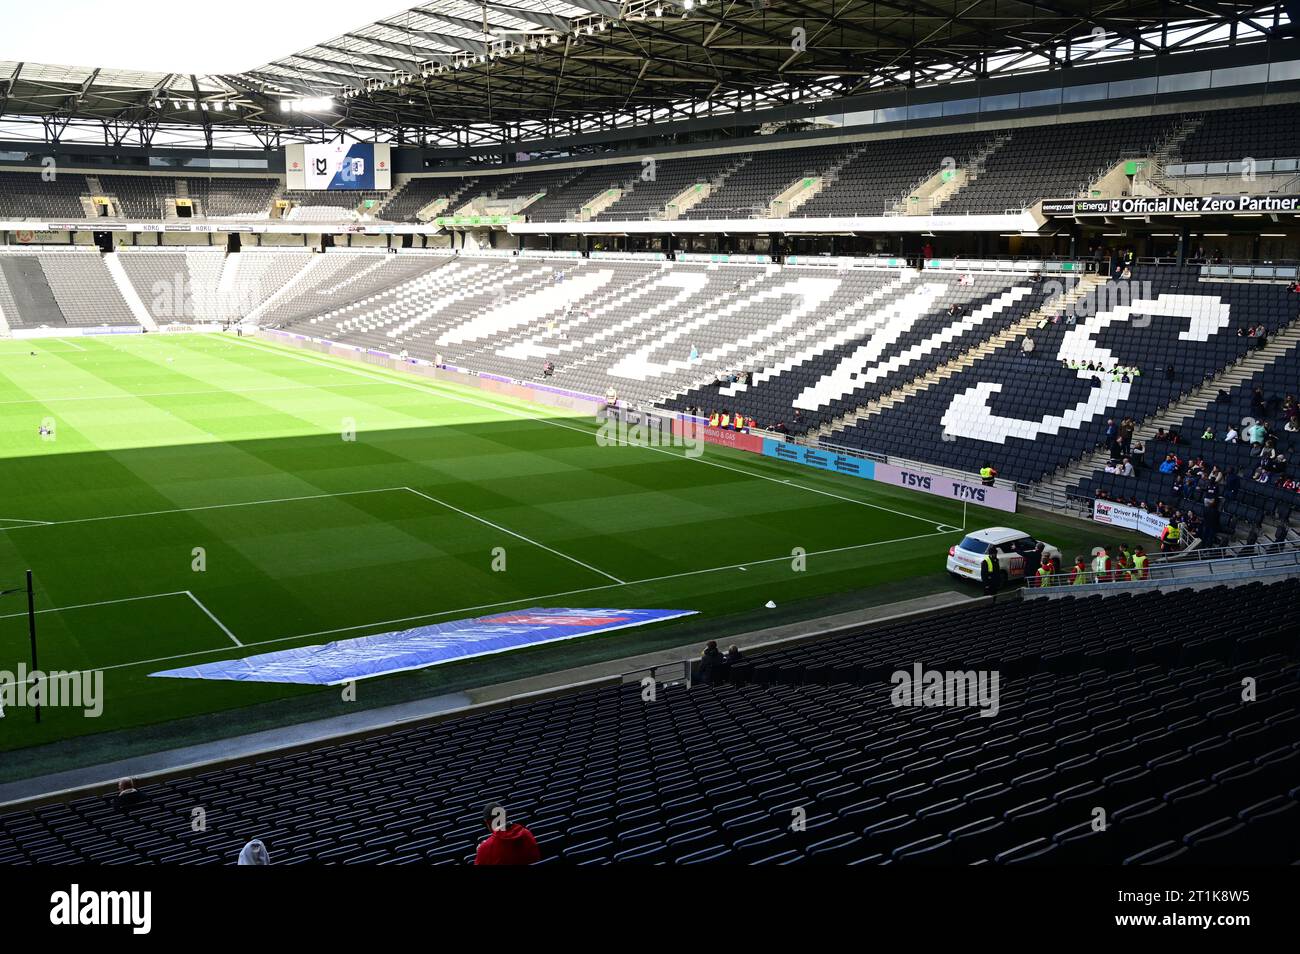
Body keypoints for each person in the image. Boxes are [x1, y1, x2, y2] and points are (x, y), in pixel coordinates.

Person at [475, 802, 541, 866]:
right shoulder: (527, 833)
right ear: (505, 816)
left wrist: (481, 852)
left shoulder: (484, 849)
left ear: (488, 823)